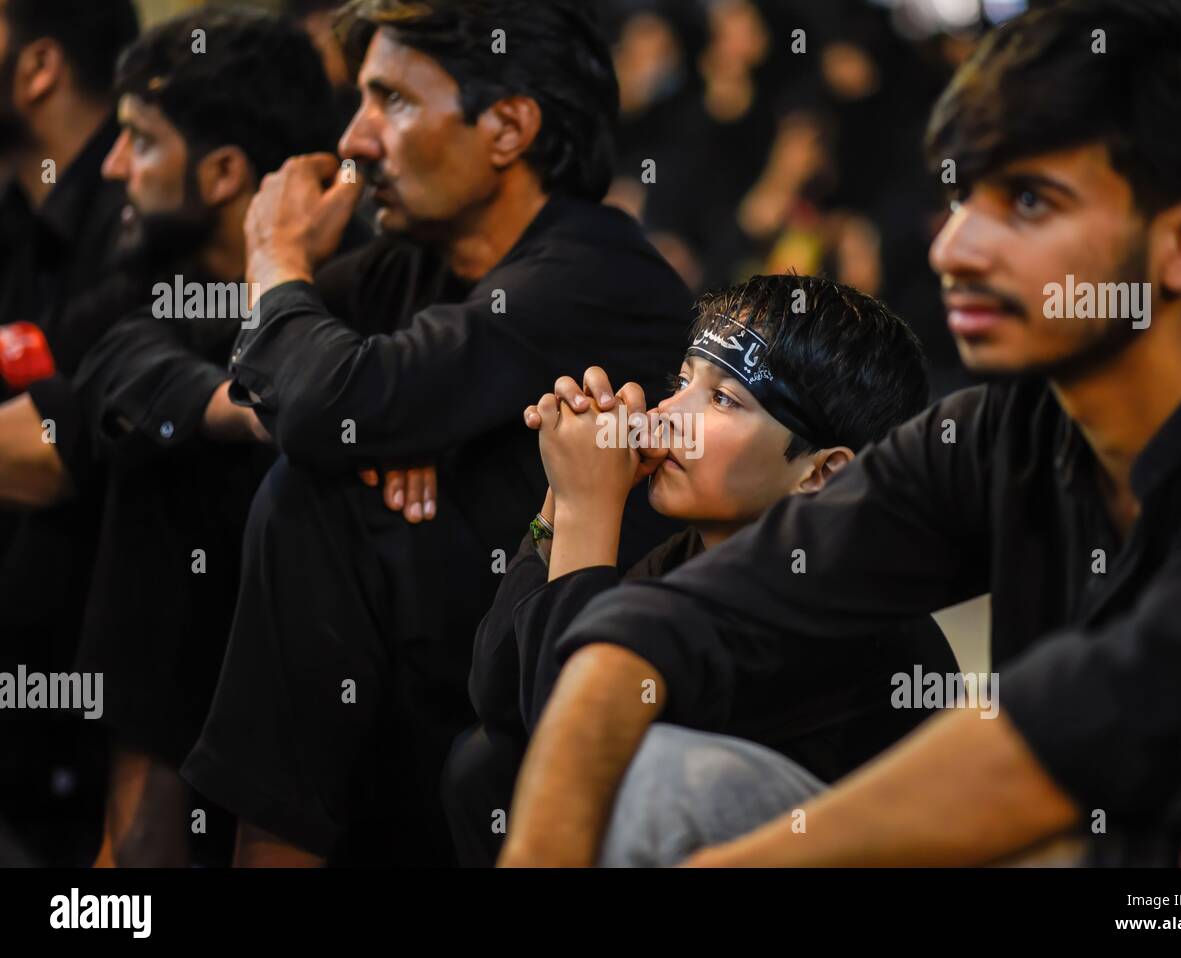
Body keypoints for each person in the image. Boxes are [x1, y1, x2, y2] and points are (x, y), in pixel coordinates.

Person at [499, 0, 1181, 868]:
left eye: (1029, 201)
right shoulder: (998, 434)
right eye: (963, 197)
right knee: (613, 766)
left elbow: (1050, 744)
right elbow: (676, 620)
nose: (954, 247)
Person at [181, 0, 689, 866]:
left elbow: (328, 398)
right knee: (189, 460)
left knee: (313, 496)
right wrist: (254, 406)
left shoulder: (594, 269)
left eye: (394, 101)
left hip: (561, 683)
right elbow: (157, 346)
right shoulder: (412, 262)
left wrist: (274, 264)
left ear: (508, 127)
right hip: (428, 687)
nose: (355, 140)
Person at [444, 274, 954, 865]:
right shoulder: (700, 553)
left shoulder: (822, 597)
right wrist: (557, 510)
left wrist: (591, 507)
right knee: (483, 767)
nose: (668, 415)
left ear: (823, 474)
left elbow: (577, 746)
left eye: (723, 400)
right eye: (682, 382)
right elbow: (501, 699)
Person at [55, 9, 344, 867]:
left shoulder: (357, 281)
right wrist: (239, 409)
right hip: (147, 731)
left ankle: (134, 853)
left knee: (174, 470)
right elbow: (109, 366)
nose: (111, 166)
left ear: (222, 171)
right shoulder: (156, 276)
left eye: (139, 141)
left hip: (321, 751)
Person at [0, 0, 138, 865]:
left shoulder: (147, 220)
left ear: (39, 65)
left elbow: (47, 450)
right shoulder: (16, 215)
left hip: (89, 745)